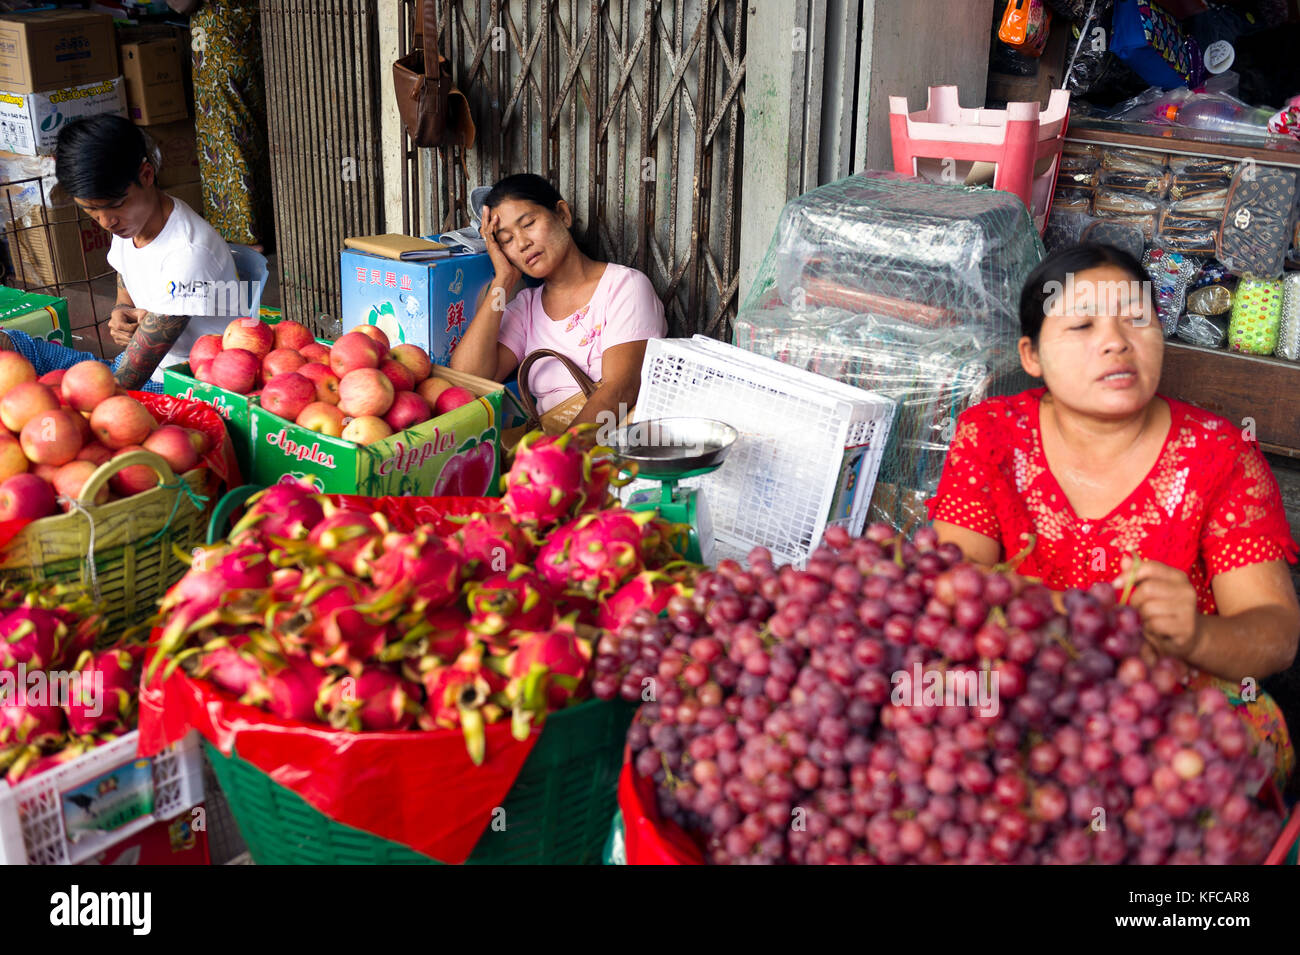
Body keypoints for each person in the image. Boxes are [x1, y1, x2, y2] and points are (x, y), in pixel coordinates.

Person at [927, 242, 1300, 783]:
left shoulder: (1219, 455)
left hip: (1174, 715)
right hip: (1024, 697)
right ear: (1031, 356)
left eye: (1136, 320)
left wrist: (1194, 636)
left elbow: (1276, 635)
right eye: (1081, 327)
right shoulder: (992, 435)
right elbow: (955, 589)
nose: (1115, 343)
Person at [449, 174, 667, 427]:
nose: (522, 243)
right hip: (551, 453)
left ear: (562, 214)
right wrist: (503, 280)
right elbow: (467, 380)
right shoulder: (526, 308)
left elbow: (621, 389)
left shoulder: (623, 286)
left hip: (605, 454)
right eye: (506, 240)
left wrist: (561, 456)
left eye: (528, 223)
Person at [54, 116, 239, 390]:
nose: (106, 222)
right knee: (14, 342)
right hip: (147, 367)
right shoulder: (132, 222)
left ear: (147, 175)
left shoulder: (188, 253)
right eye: (90, 210)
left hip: (184, 383)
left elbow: (130, 378)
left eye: (115, 205)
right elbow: (125, 269)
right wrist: (122, 308)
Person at [167, 0, 273, 250]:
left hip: (218, 38)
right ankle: (266, 224)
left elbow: (182, 3)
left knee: (226, 132)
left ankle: (246, 236)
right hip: (249, 30)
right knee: (252, 128)